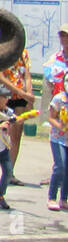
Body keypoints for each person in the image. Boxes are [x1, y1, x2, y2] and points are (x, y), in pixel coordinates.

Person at [0, 47, 34, 186]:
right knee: (1, 133)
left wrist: (29, 94)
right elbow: (0, 77)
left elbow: (27, 75)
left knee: (16, 135)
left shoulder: (23, 53)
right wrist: (20, 92)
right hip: (5, 95)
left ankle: (9, 173)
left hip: (20, 97)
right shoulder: (1, 50)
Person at [48, 78, 68, 212]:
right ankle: (52, 197)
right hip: (58, 138)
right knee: (60, 166)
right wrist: (60, 126)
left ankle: (64, 198)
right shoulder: (59, 99)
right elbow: (51, 117)